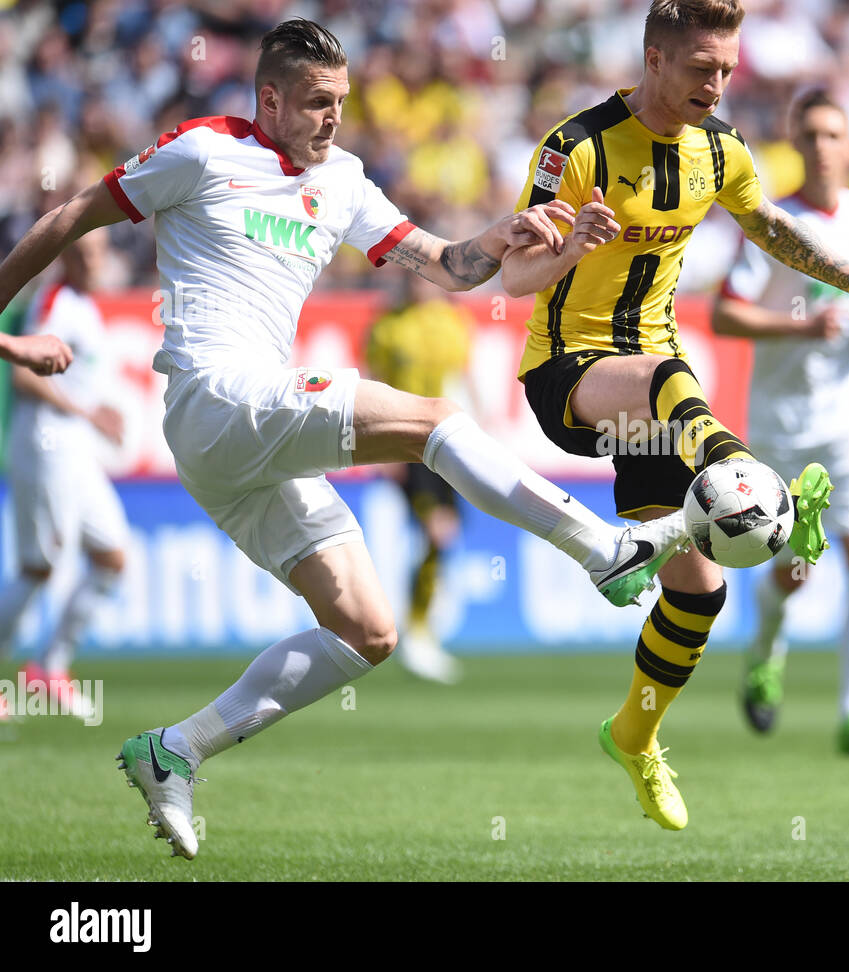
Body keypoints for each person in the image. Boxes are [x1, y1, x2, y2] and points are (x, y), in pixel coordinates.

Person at [0, 18, 679, 860]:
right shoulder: (204, 150)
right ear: (270, 97)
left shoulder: (347, 181)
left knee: (368, 631)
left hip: (243, 447)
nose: (333, 119)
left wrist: (516, 234)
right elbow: (73, 214)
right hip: (217, 395)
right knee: (434, 422)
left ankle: (174, 751)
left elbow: (452, 267)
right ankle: (601, 548)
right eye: (317, 103)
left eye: (343, 103)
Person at [500, 0, 849, 830]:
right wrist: (570, 245)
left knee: (699, 597)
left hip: (657, 403)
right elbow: (514, 279)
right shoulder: (577, 147)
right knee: (673, 371)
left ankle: (634, 733)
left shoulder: (720, 149)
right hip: (569, 375)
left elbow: (771, 227)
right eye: (703, 68)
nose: (719, 83)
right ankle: (749, 472)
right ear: (654, 60)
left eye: (728, 69)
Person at [713, 88, 849, 752]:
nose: (822, 146)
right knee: (796, 566)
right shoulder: (770, 222)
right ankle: (765, 652)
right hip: (786, 421)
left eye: (833, 134)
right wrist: (799, 325)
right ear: (796, 144)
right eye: (811, 134)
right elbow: (724, 314)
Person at [0, 230, 125, 723]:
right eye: (83, 253)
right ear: (66, 256)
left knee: (112, 557)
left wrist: (98, 413)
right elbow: (23, 375)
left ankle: (49, 669)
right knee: (40, 567)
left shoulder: (87, 307)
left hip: (77, 450)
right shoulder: (53, 300)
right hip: (45, 444)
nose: (92, 262)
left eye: (98, 253)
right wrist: (86, 412)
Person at [364, 275, 475, 683]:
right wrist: (379, 447)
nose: (418, 286)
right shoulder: (388, 326)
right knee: (437, 530)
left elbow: (465, 376)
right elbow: (374, 384)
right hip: (407, 443)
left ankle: (421, 626)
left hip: (450, 440)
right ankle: (415, 631)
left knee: (445, 533)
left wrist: (485, 428)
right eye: (411, 278)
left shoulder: (451, 322)